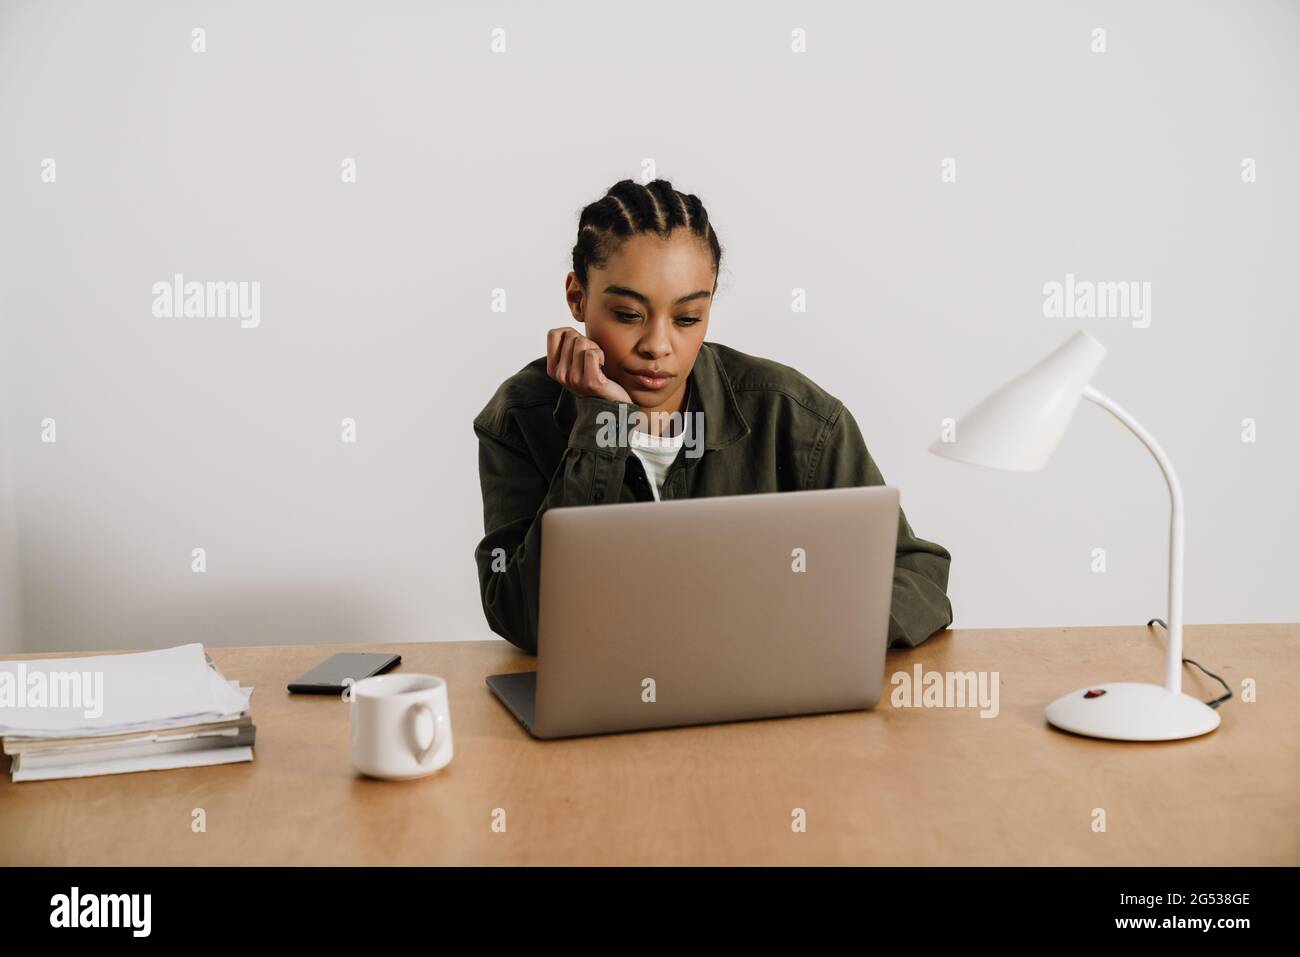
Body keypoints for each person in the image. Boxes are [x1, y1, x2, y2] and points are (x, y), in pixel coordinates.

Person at [473, 178, 953, 654]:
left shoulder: (796, 418)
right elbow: (524, 618)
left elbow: (915, 575)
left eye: (687, 319)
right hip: (606, 715)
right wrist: (605, 424)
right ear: (577, 296)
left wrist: (802, 630)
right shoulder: (519, 417)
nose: (658, 346)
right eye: (627, 314)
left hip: (764, 705)